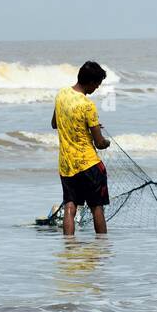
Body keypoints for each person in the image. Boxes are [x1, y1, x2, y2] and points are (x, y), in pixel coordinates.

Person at [51, 60, 112, 234]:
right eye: (97, 84)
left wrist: (86, 126)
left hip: (67, 165)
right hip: (89, 165)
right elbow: (99, 144)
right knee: (96, 207)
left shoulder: (61, 94)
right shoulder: (87, 106)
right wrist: (106, 142)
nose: (97, 88)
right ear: (91, 82)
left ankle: (69, 247)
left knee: (70, 206)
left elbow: (55, 123)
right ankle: (101, 246)